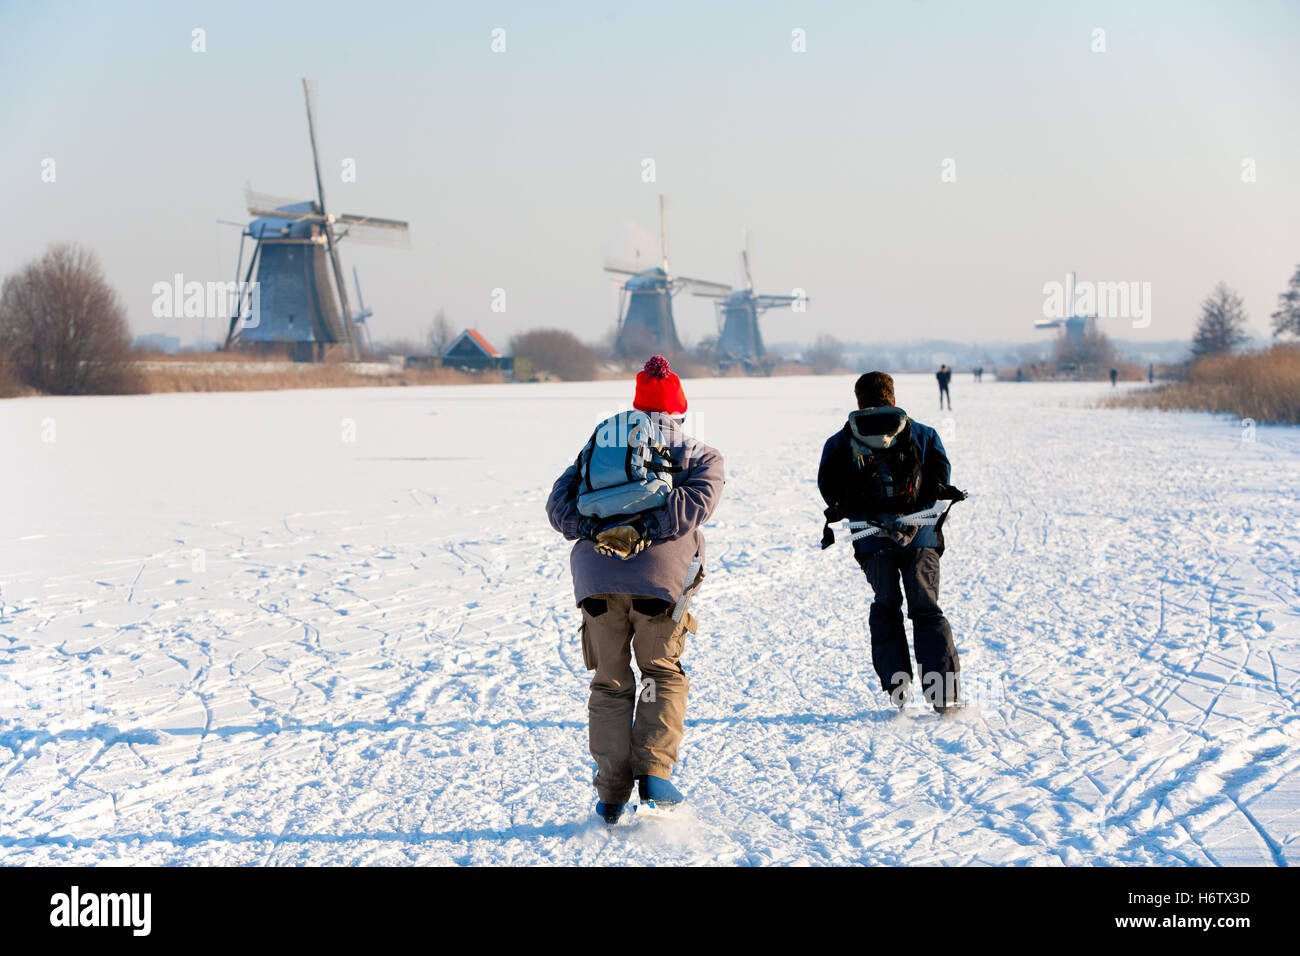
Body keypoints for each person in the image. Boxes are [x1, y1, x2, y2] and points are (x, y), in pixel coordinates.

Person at [546, 355, 725, 824]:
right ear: (679, 410)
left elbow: (558, 507)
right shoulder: (700, 455)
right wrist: (644, 531)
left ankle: (610, 796)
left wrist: (597, 529)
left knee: (610, 683)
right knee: (661, 672)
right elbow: (693, 507)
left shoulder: (596, 450)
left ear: (637, 405)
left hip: (597, 580)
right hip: (659, 583)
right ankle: (656, 775)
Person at [818, 371, 961, 714]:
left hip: (871, 540)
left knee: (886, 607)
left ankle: (898, 689)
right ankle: (944, 695)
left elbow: (829, 489)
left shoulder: (839, 442)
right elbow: (941, 479)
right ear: (893, 399)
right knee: (926, 610)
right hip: (921, 536)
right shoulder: (924, 434)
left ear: (859, 402)